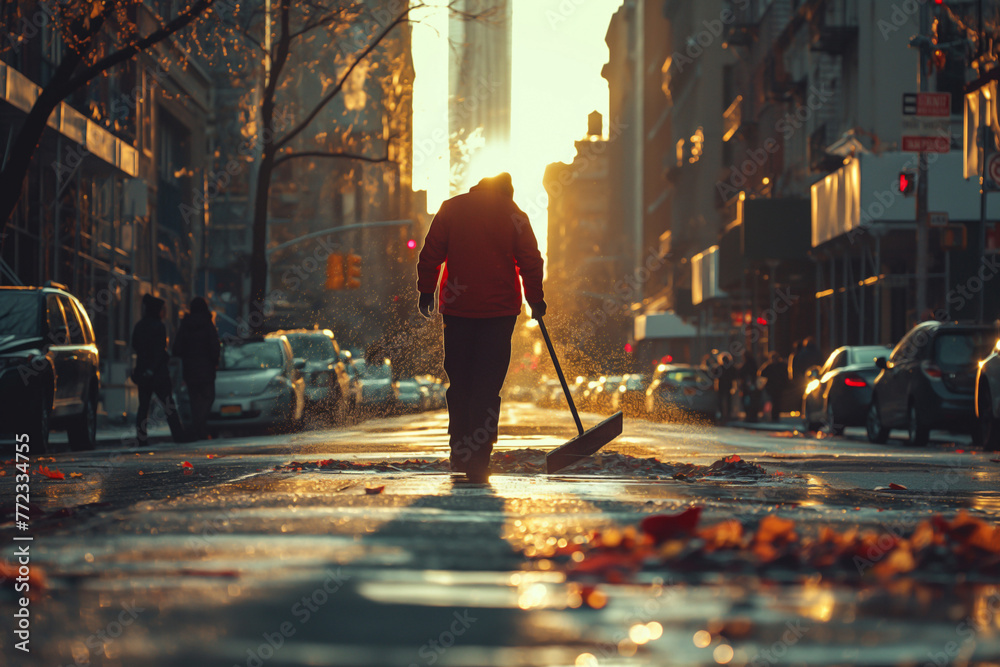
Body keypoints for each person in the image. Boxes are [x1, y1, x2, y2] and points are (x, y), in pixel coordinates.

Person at [416, 172, 545, 483]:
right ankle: (479, 457)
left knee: (460, 383)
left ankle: (459, 451)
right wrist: (535, 299)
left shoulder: (451, 208)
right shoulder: (515, 214)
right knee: (487, 387)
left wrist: (426, 290)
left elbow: (431, 253)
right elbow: (530, 260)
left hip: (458, 311)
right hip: (498, 314)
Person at [131, 294, 185, 444]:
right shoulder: (159, 326)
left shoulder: (140, 325)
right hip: (159, 374)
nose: (164, 312)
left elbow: (135, 345)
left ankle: (141, 437)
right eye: (163, 309)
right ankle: (178, 436)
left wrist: (145, 368)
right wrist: (154, 367)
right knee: (168, 405)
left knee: (143, 407)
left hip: (143, 372)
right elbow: (159, 351)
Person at [173, 297, 220, 441]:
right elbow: (214, 345)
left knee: (194, 400)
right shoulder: (208, 324)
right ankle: (200, 426)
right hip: (206, 369)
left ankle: (198, 428)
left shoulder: (185, 325)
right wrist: (215, 361)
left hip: (190, 370)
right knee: (208, 397)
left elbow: (177, 348)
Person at [758, 352, 788, 422]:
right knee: (776, 402)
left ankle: (774, 416)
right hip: (777, 387)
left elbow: (761, 373)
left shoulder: (770, 366)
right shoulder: (781, 366)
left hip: (773, 387)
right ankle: (775, 416)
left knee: (774, 401)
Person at [738, 350, 760, 423]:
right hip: (753, 385)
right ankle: (753, 416)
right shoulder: (753, 363)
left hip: (747, 386)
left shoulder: (746, 365)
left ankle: (749, 416)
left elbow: (741, 374)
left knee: (746, 401)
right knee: (753, 401)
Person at [716, 352, 737, 424]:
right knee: (728, 402)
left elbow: (715, 376)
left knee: (721, 402)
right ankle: (727, 416)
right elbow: (735, 378)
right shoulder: (731, 368)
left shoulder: (720, 368)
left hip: (722, 387)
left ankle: (723, 416)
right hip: (728, 386)